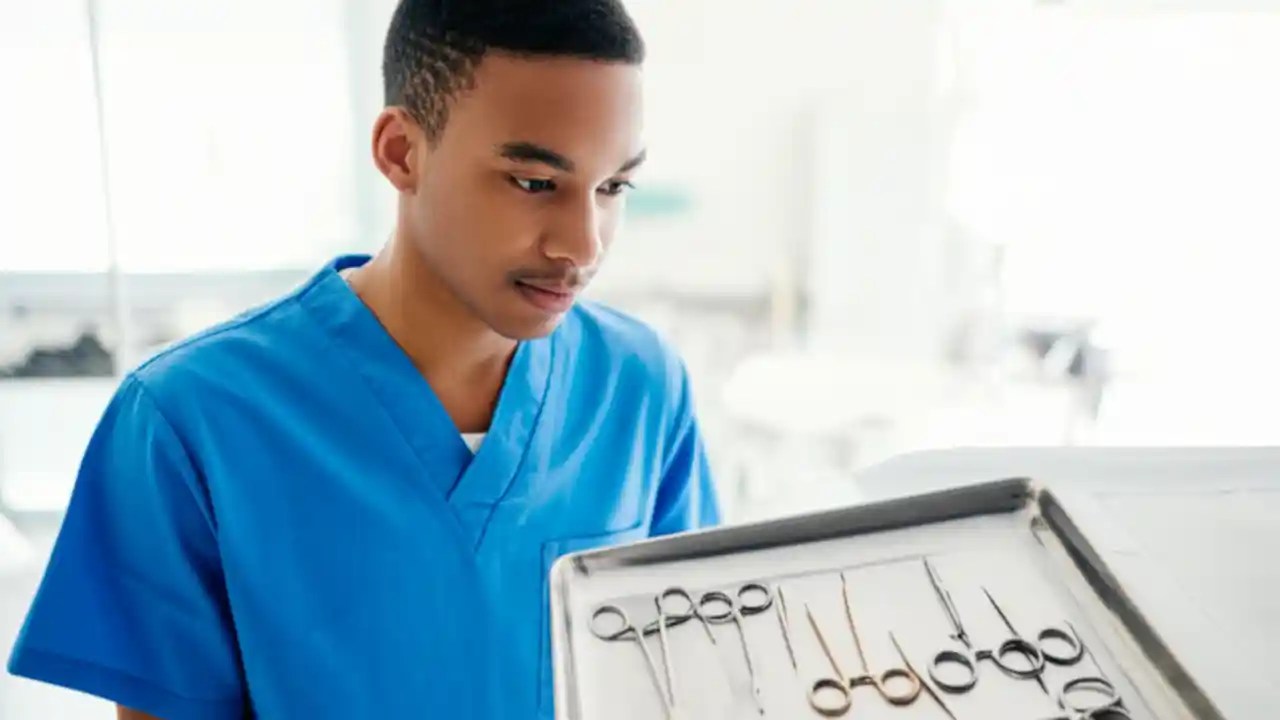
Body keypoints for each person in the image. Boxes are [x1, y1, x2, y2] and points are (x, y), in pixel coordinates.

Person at [6, 1, 721, 717]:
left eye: (612, 188)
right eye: (535, 183)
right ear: (401, 152)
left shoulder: (640, 388)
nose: (583, 246)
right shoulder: (190, 421)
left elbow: (683, 679)